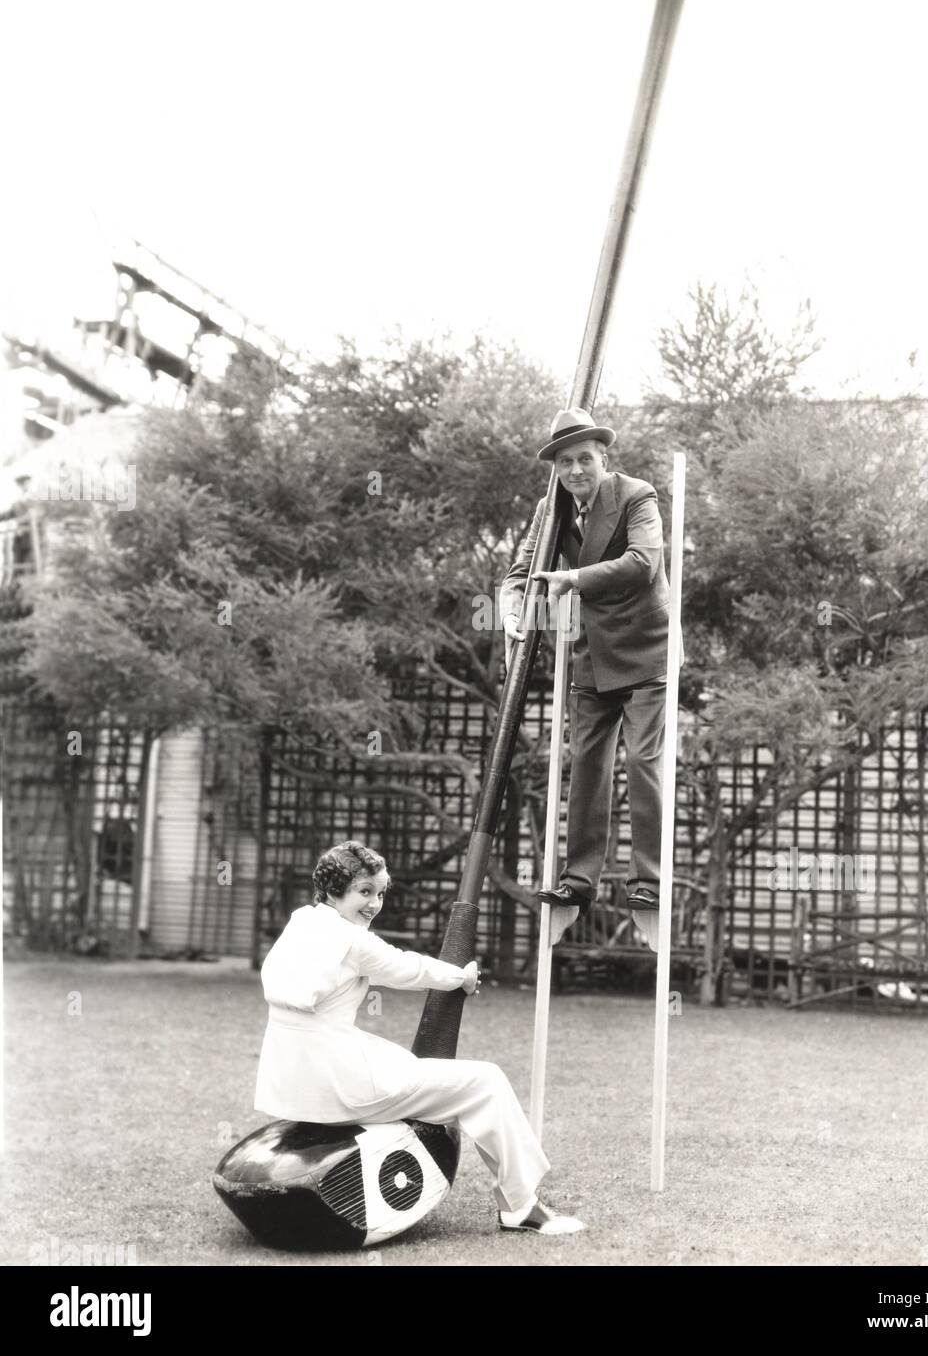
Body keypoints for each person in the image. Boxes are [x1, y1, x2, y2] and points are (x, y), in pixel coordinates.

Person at [254, 839, 584, 1236]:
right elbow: (406, 969)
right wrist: (460, 977)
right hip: (338, 1085)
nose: (374, 904)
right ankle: (521, 1206)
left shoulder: (301, 923)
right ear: (331, 890)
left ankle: (516, 1197)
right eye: (364, 892)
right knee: (487, 1082)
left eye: (380, 893)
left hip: (291, 1085)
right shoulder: (351, 940)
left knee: (411, 1067)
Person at [500, 407, 669, 911]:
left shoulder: (638, 496)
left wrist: (572, 579)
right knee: (587, 765)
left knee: (642, 760)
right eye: (565, 462)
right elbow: (522, 570)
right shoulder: (549, 509)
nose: (575, 470)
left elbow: (643, 564)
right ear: (555, 468)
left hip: (644, 649)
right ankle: (579, 879)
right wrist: (511, 610)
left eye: (584, 459)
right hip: (590, 656)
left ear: (603, 457)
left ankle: (650, 880)